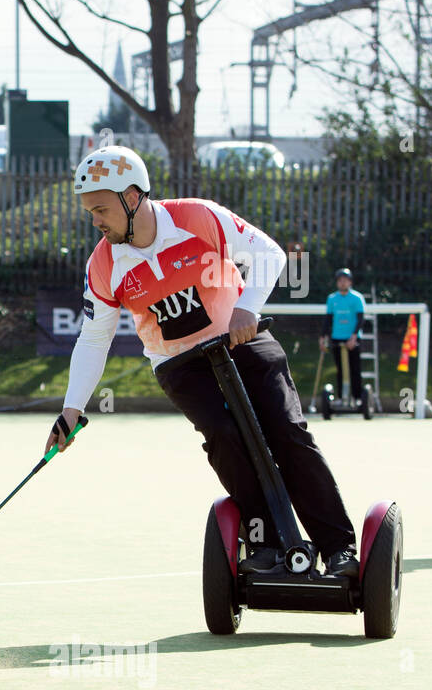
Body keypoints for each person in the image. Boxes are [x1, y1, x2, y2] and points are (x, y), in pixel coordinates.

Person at [47, 145, 359, 577]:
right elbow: (94, 337)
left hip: (243, 340)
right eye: (90, 212)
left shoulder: (198, 217)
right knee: (223, 436)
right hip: (180, 364)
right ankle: (264, 544)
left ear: (132, 197)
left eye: (101, 209)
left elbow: (269, 254)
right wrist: (71, 409)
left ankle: (340, 549)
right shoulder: (103, 264)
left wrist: (247, 307)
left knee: (286, 431)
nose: (95, 221)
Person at [320, 267, 366, 403]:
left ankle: (357, 398)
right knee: (340, 369)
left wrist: (354, 336)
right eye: (340, 280)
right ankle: (341, 397)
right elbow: (328, 319)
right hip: (337, 337)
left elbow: (361, 319)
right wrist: (323, 337)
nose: (342, 283)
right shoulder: (332, 298)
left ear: (350, 282)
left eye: (345, 280)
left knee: (355, 369)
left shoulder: (357, 298)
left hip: (352, 338)